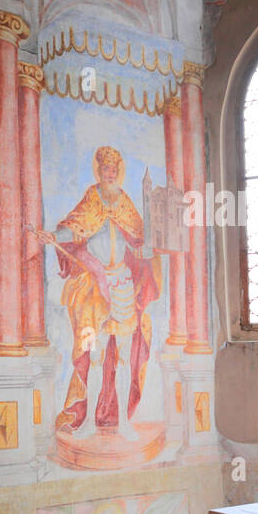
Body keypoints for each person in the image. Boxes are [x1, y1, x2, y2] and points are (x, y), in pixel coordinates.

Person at [33, 146, 160, 441]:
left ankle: (124, 423)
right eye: (106, 169)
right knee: (95, 355)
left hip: (123, 286)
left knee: (125, 355)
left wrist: (144, 249)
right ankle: (89, 420)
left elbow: (138, 239)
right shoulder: (92, 198)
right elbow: (76, 228)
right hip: (95, 289)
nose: (110, 173)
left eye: (115, 169)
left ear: (120, 172)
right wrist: (54, 236)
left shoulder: (126, 204)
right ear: (99, 171)